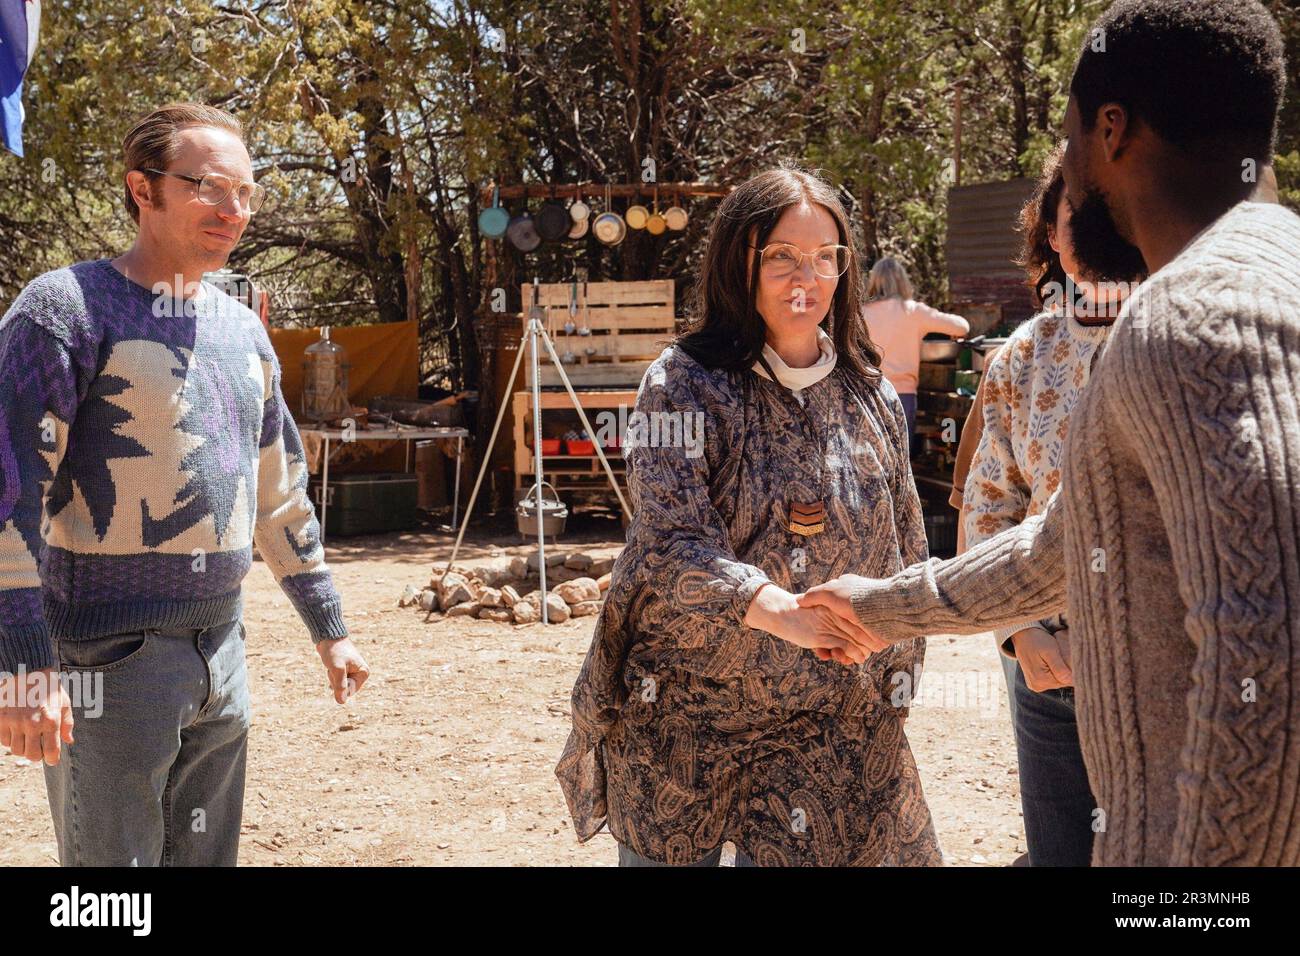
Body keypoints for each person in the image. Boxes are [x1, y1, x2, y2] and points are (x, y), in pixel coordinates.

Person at [799, 0, 1299, 867]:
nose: (1063, 171)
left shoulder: (1190, 320)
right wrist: (880, 606)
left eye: (1067, 140)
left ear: (1113, 132)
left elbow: (1268, 649)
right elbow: (1058, 550)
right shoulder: (1266, 272)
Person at [0, 102, 370, 866]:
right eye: (208, 186)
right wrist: (24, 663)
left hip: (222, 647)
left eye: (246, 192)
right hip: (106, 659)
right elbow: (8, 493)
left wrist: (327, 625)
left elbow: (277, 490)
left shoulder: (243, 331)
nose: (233, 210)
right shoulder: (63, 311)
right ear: (144, 187)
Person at [555, 166, 942, 866]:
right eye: (783, 256)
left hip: (827, 724)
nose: (809, 275)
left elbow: (905, 538)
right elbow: (671, 543)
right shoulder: (682, 385)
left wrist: (891, 645)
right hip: (686, 723)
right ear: (741, 261)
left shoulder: (870, 394)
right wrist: (780, 611)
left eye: (826, 256)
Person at [963, 141, 1143, 865]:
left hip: (1165, 671)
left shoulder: (1191, 341)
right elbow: (986, 511)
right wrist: (1021, 633)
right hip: (1049, 673)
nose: (1094, 232)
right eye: (1076, 215)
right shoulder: (1022, 359)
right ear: (1052, 234)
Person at [861, 257, 969, 449]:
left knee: (871, 460)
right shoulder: (913, 311)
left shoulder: (861, 313)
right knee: (900, 462)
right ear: (903, 281)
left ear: (874, 281)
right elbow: (962, 327)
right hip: (903, 396)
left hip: (868, 393)